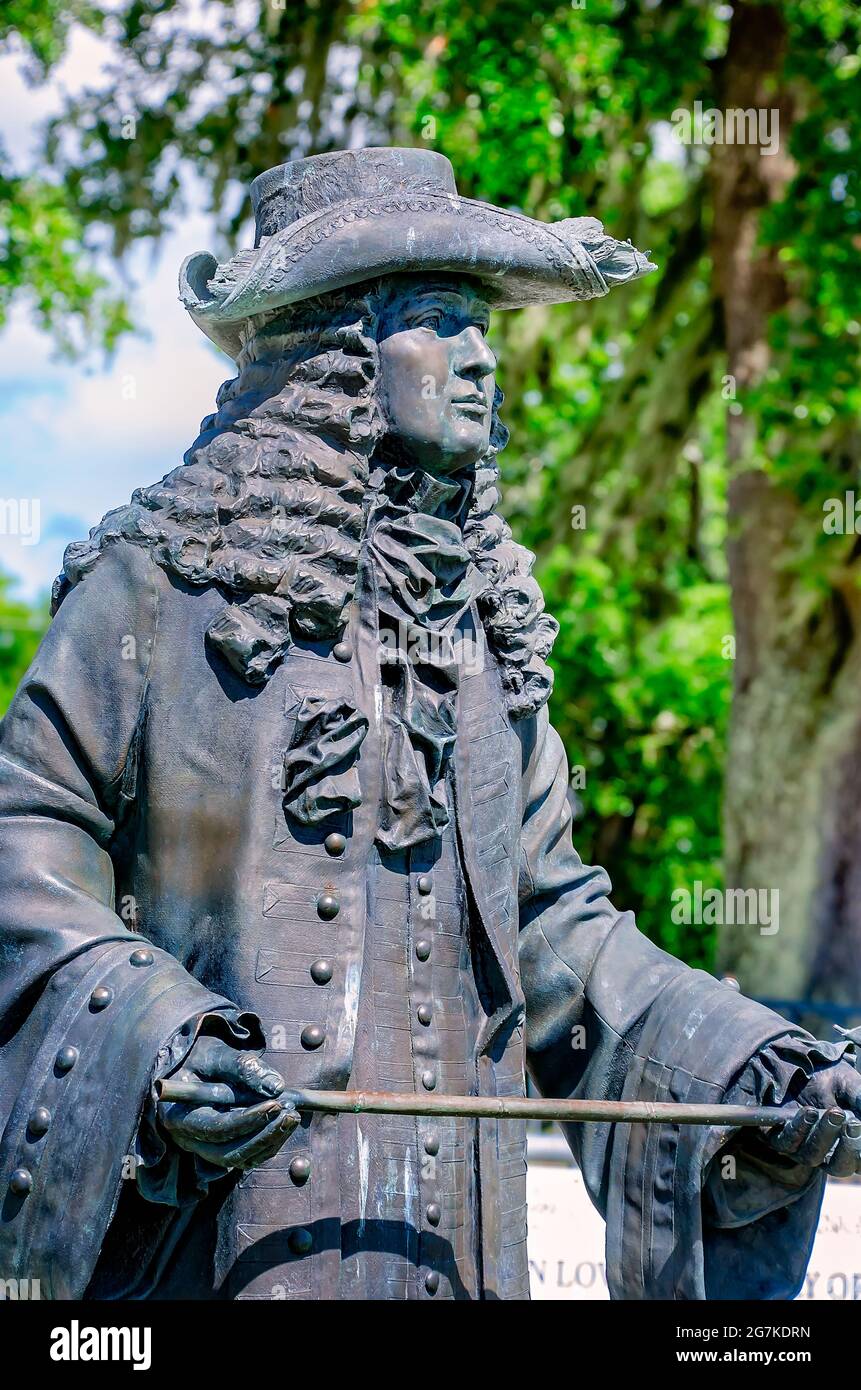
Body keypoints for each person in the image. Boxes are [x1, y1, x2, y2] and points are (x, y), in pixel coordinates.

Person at [1, 147, 859, 1301]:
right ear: (332, 355)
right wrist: (160, 1042)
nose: (481, 357)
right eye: (440, 321)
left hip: (461, 1258)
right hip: (214, 1262)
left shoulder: (493, 629)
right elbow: (22, 854)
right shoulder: (151, 593)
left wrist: (750, 1065)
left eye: (485, 325)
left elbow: (556, 933)